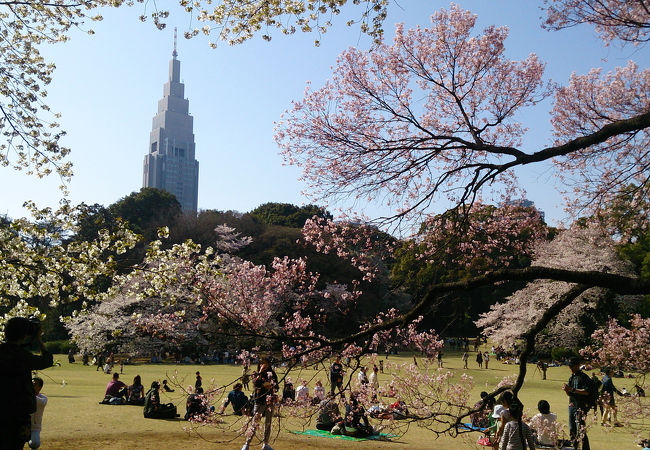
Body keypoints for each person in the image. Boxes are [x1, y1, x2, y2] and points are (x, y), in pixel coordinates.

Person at [0, 316, 53, 449]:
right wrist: (38, 340)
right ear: (24, 335)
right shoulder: (22, 356)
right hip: (19, 412)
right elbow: (47, 360)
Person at [242, 357, 278, 450]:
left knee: (268, 422)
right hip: (259, 400)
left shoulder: (272, 374)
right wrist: (260, 372)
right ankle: (247, 443)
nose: (264, 365)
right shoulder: (256, 374)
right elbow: (256, 384)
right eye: (262, 363)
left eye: (266, 363)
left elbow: (276, 386)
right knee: (255, 422)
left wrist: (271, 385)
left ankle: (265, 443)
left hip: (270, 400)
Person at [563, 356, 592, 450]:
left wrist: (573, 389)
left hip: (581, 406)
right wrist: (567, 390)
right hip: (572, 406)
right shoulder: (572, 378)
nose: (570, 368)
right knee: (572, 429)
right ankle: (575, 447)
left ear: (578, 365)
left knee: (581, 430)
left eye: (572, 366)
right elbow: (570, 394)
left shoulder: (583, 377)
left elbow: (587, 391)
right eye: (570, 366)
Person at [28, 377, 47, 449]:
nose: (32, 386)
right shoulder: (25, 396)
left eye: (34, 385)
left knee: (35, 443)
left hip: (34, 427)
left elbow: (37, 401)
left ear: (40, 387)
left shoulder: (43, 398)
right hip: (23, 424)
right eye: (31, 384)